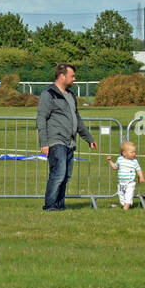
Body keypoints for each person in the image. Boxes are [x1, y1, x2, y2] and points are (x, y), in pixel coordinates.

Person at [37, 64, 97, 211]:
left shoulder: (71, 95)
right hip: (56, 141)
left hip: (70, 142)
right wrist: (44, 143)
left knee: (65, 176)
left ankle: (59, 205)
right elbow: (41, 119)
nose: (74, 79)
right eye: (72, 76)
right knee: (58, 174)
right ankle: (50, 206)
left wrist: (89, 138)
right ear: (62, 76)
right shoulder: (49, 94)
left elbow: (77, 119)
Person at [107, 140, 145, 210]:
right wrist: (110, 161)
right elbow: (115, 168)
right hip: (121, 184)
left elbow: (139, 170)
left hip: (130, 183)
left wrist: (141, 177)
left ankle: (125, 209)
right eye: (132, 152)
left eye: (135, 152)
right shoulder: (120, 160)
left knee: (128, 197)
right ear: (124, 153)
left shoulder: (134, 162)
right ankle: (125, 206)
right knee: (122, 199)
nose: (134, 154)